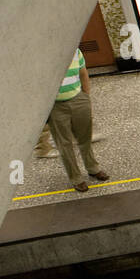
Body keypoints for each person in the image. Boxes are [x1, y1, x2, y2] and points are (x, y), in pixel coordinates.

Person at [46, 49, 109, 194]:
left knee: (84, 138)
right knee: (64, 144)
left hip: (78, 99)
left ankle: (93, 168)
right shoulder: (43, 57)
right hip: (56, 106)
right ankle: (76, 178)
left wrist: (85, 96)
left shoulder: (75, 51)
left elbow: (83, 72)